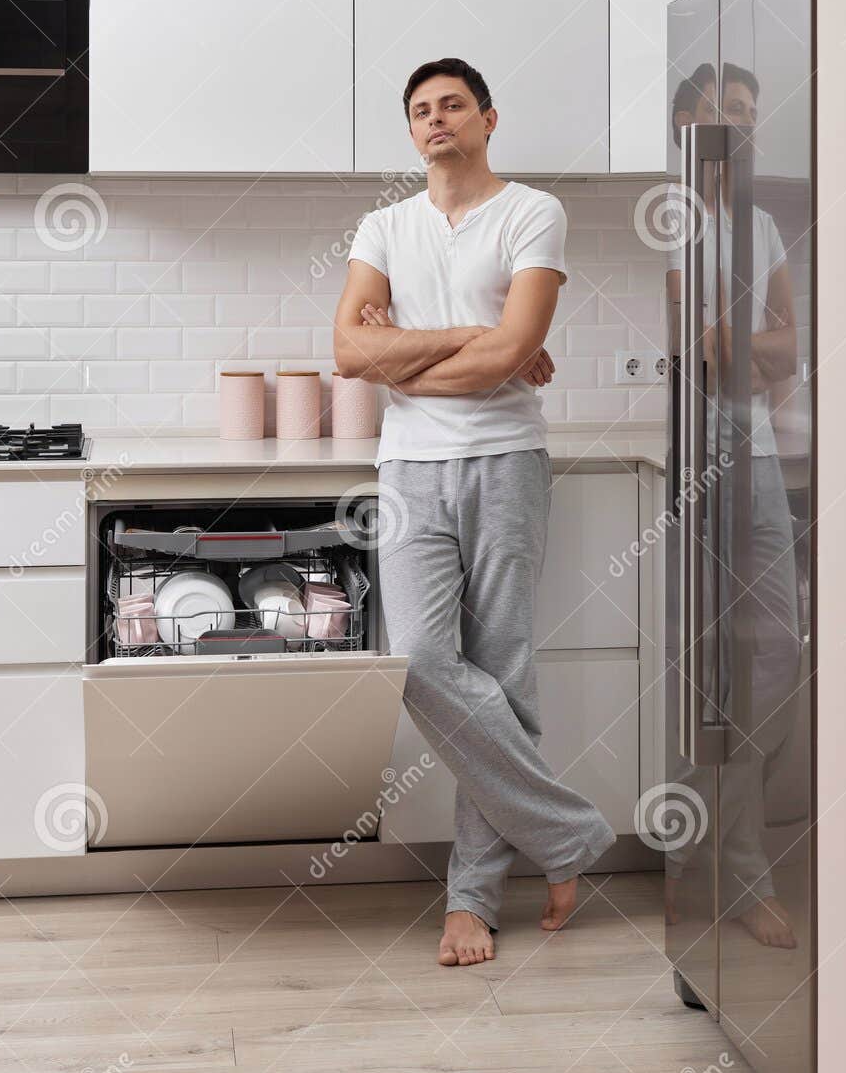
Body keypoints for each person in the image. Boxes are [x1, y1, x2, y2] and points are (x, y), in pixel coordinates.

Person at [333, 58, 615, 968]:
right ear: (410, 131)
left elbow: (511, 356)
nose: (435, 118)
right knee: (420, 661)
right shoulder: (384, 224)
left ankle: (472, 900)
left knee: (502, 670)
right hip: (409, 467)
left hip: (503, 463)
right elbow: (345, 351)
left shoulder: (531, 212)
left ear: (487, 118)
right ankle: (569, 835)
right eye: (419, 109)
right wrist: (473, 338)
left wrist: (405, 354)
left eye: (452, 104)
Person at [665, 61, 803, 949]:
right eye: (729, 112)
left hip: (749, 452)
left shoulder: (758, 226)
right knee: (697, 667)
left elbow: (784, 350)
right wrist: (735, 344)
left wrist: (734, 340)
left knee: (771, 652)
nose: (744, 126)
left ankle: (738, 862)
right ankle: (702, 864)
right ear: (689, 121)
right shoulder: (671, 222)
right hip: (689, 455)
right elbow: (694, 347)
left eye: (753, 112)